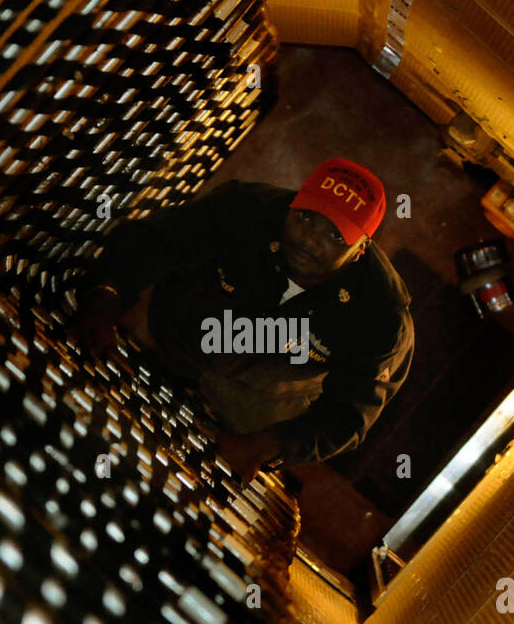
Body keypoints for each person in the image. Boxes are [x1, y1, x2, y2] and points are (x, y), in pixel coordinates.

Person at [74, 157, 415, 481]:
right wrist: (105, 299)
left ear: (360, 250)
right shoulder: (244, 209)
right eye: (307, 218)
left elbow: (349, 413)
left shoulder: (381, 316)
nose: (309, 240)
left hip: (252, 415)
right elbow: (155, 242)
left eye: (334, 236)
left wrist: (267, 445)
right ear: (295, 201)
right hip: (173, 345)